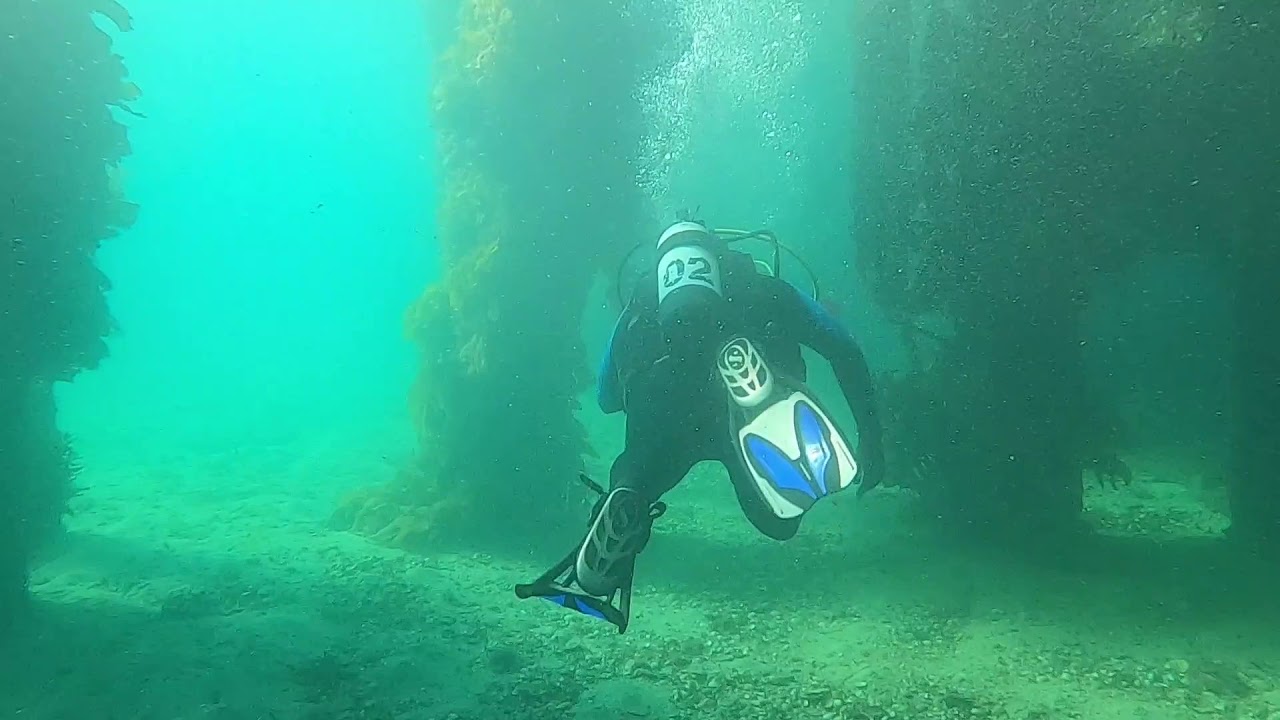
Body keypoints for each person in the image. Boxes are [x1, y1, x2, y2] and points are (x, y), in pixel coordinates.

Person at [516, 220, 884, 632]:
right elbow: (843, 347)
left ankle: (626, 496)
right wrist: (871, 437)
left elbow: (606, 399)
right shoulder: (756, 286)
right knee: (780, 523)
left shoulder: (641, 305)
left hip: (669, 418)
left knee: (637, 468)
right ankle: (750, 383)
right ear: (718, 250)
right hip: (741, 424)